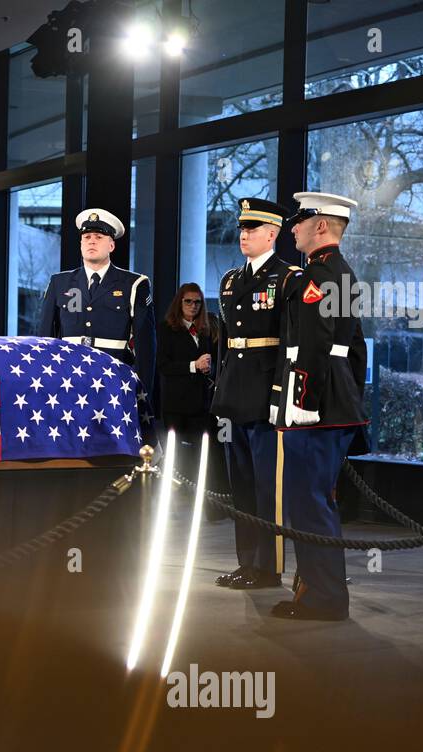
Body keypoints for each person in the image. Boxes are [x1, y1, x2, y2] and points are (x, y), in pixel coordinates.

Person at [270, 191, 369, 621]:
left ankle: (323, 598)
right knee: (317, 501)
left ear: (321, 226)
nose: (293, 228)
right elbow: (356, 349)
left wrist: (304, 402)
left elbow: (313, 343)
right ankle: (317, 589)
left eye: (300, 221)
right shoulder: (342, 272)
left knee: (308, 503)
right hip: (336, 401)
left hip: (315, 406)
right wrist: (349, 398)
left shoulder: (319, 274)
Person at [208, 198, 304, 590]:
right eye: (242, 228)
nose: (244, 235)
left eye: (252, 228)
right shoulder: (230, 280)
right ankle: (247, 562)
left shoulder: (289, 278)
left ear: (272, 234)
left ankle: (269, 568)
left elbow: (291, 345)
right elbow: (226, 342)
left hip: (266, 396)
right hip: (235, 394)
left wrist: (281, 396)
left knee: (268, 490)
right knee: (242, 489)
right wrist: (220, 388)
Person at [38, 207, 156, 439]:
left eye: (99, 237)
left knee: (111, 442)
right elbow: (45, 337)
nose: (91, 241)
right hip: (68, 378)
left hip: (114, 378)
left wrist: (141, 390)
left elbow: (146, 345)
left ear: (111, 245)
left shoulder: (133, 284)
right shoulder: (60, 283)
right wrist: (47, 380)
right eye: (87, 237)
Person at [157, 283, 215, 476]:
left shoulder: (205, 330)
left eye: (197, 302)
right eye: (188, 301)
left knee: (199, 458)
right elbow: (163, 366)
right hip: (176, 405)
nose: (193, 306)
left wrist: (208, 368)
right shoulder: (166, 329)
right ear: (179, 303)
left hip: (201, 405)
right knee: (176, 457)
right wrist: (194, 365)